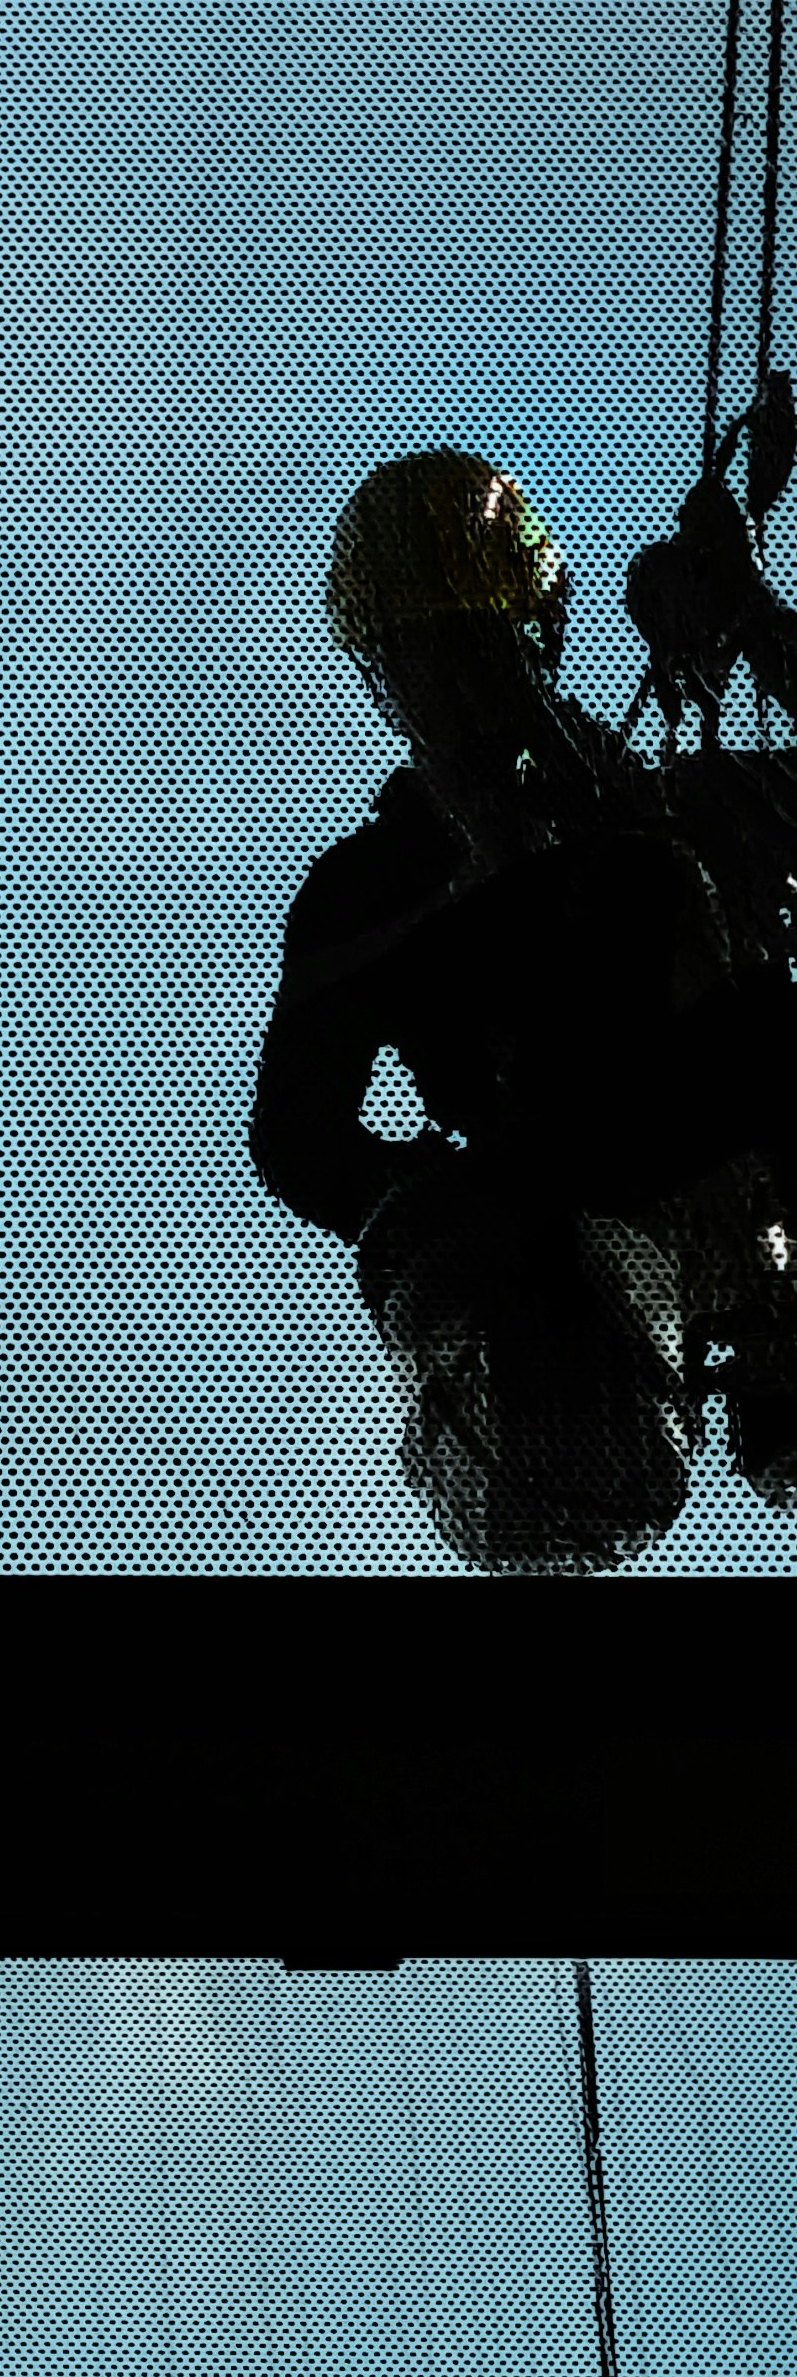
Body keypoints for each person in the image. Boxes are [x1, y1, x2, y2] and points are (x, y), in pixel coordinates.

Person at [250, 450, 797, 1572]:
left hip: (638, 1175)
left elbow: (302, 1138)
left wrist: (746, 614)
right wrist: (439, 1201)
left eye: (466, 647)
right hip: (569, 1199)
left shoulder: (666, 819)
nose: (449, 688)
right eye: (425, 657)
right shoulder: (386, 888)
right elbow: (297, 1138)